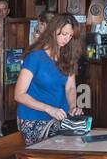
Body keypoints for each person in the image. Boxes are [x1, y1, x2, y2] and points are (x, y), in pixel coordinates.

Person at [14, 12, 83, 145]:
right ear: (53, 30)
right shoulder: (35, 57)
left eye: (70, 36)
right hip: (34, 119)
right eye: (63, 34)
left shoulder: (68, 57)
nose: (66, 39)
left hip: (60, 117)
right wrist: (49, 108)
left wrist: (73, 107)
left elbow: (70, 87)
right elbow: (19, 95)